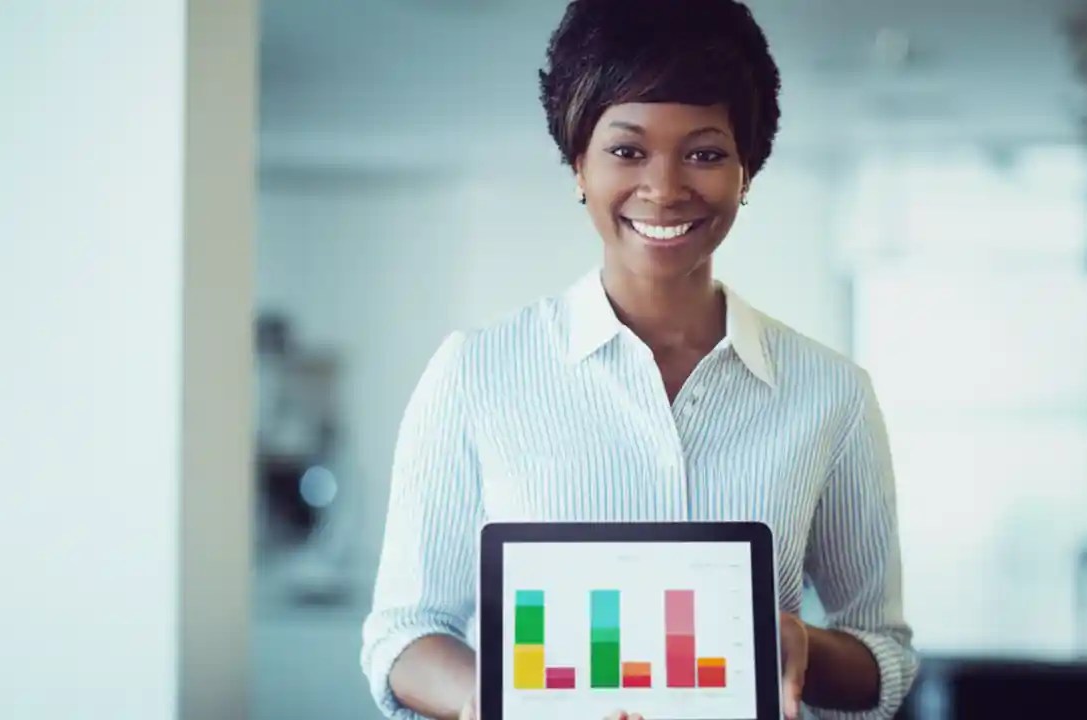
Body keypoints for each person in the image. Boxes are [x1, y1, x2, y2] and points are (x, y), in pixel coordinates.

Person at [360, 1, 917, 718]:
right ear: (579, 164)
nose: (664, 187)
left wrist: (800, 646)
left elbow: (886, 653)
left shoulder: (831, 395)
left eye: (706, 153)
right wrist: (497, 702)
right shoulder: (475, 373)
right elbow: (403, 634)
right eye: (627, 150)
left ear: (748, 170)